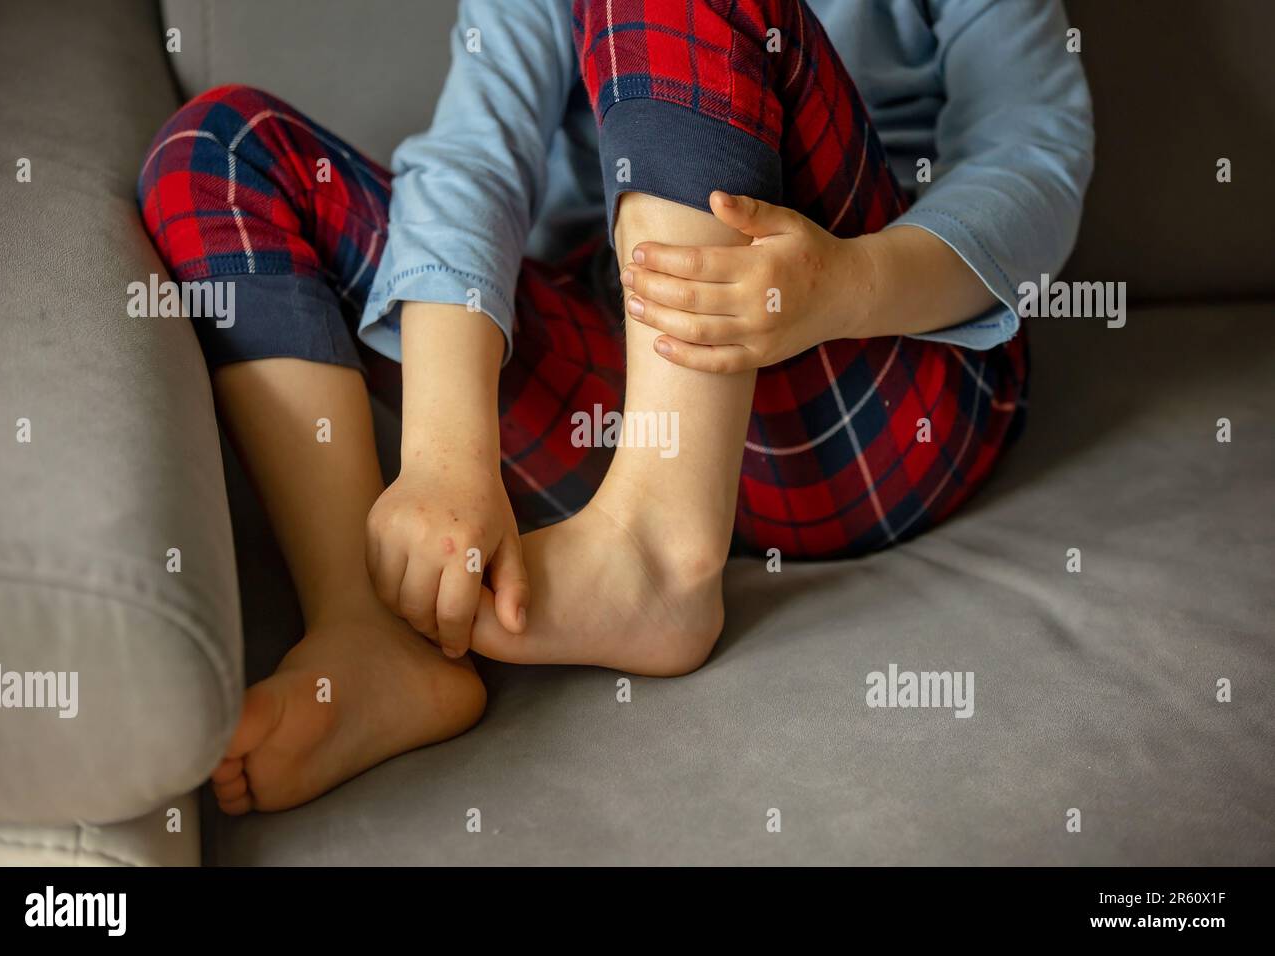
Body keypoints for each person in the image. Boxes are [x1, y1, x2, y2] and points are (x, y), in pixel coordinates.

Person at [137, 0, 1093, 814]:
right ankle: (371, 627)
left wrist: (848, 284)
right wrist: (444, 458)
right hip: (636, 389)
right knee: (218, 154)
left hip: (880, 383)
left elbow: (1036, 158)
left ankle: (659, 555)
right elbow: (476, 166)